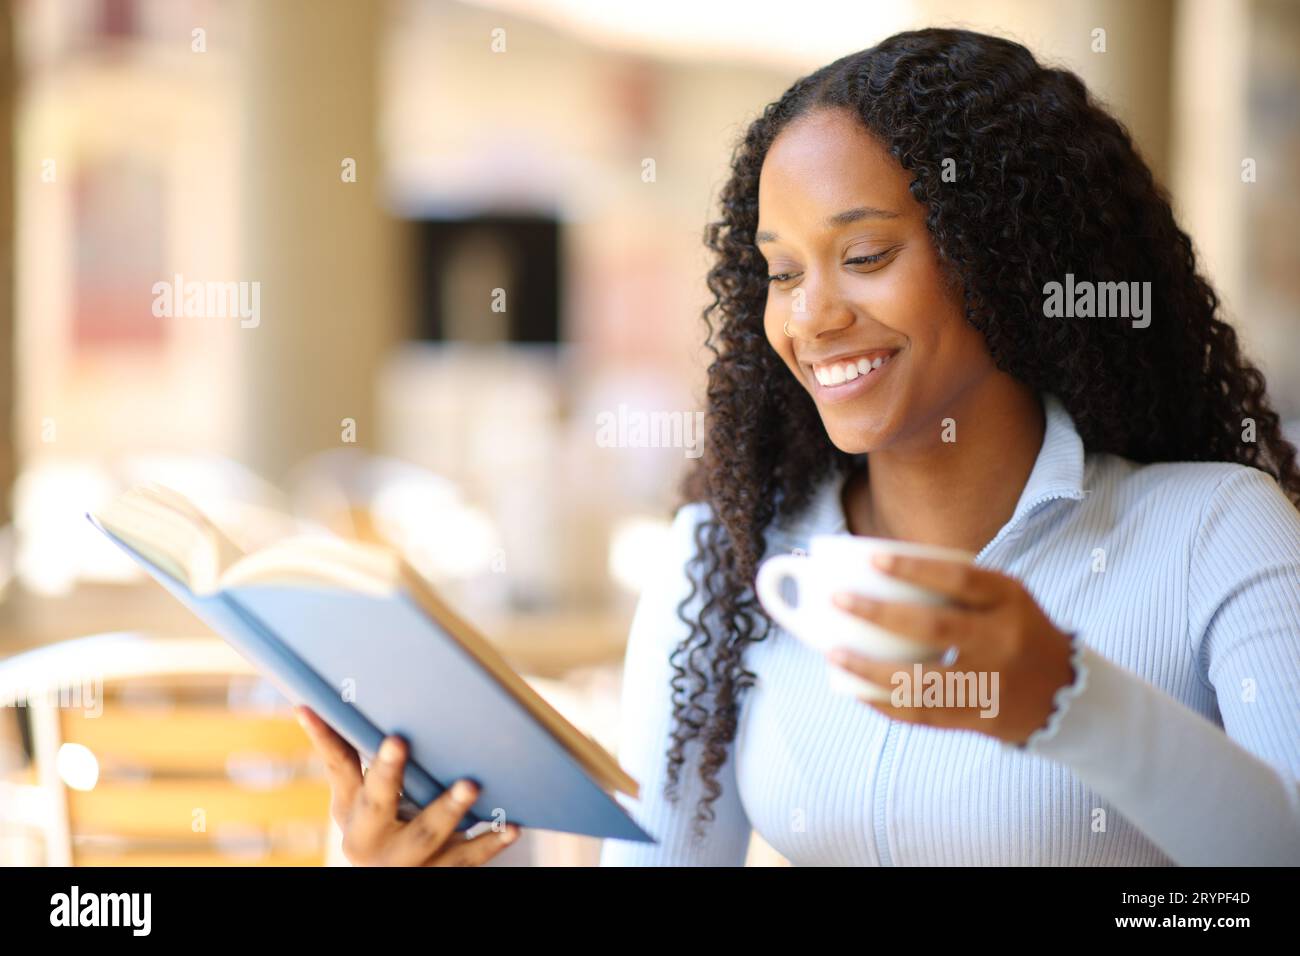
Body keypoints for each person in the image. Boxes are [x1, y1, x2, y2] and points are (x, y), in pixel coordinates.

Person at [303, 27, 1300, 867]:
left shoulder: (1214, 533)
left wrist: (1068, 698)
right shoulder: (729, 555)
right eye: (780, 273)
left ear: (1008, 255)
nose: (812, 318)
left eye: (865, 256)